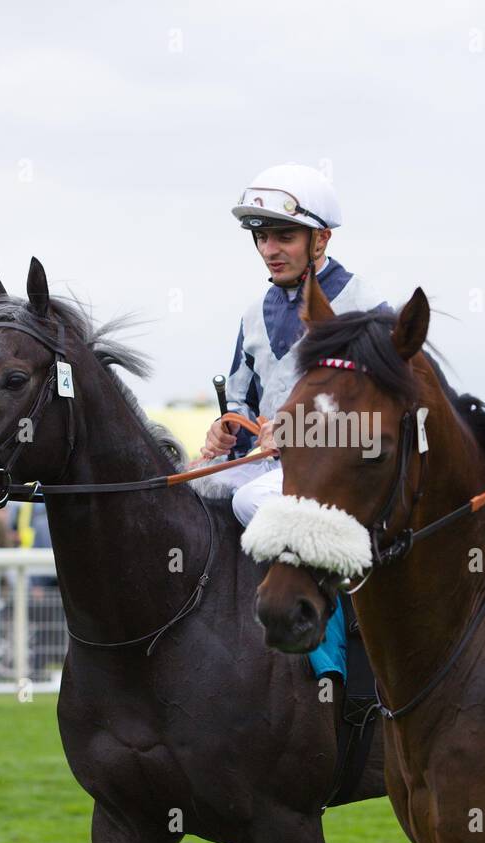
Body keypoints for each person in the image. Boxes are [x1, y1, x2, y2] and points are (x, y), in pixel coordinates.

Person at [199, 163, 387, 682]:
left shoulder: (364, 305)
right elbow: (240, 400)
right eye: (262, 237)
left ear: (321, 238)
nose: (269, 249)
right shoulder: (253, 312)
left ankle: (324, 659)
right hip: (267, 467)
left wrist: (300, 432)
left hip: (338, 471)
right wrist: (225, 430)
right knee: (193, 492)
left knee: (248, 500)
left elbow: (391, 411)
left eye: (284, 235)